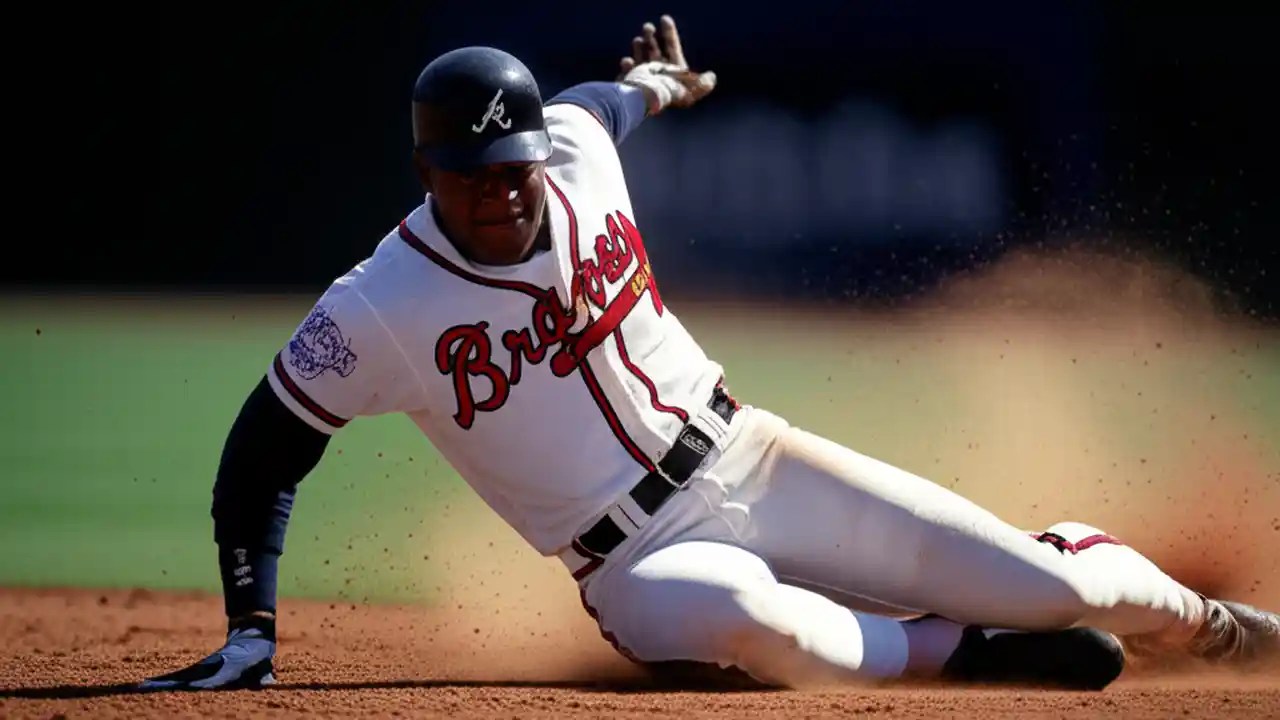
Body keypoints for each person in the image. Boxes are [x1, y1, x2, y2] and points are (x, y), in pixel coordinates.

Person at [140, 15, 1278, 692]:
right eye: (473, 176)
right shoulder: (377, 306)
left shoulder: (573, 148)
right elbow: (261, 457)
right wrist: (251, 630)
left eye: (515, 164)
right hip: (636, 568)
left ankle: (1210, 626)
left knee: (1057, 585)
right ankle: (958, 652)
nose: (503, 189)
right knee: (778, 639)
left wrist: (651, 84)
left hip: (756, 459)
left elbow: (599, 104)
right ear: (426, 176)